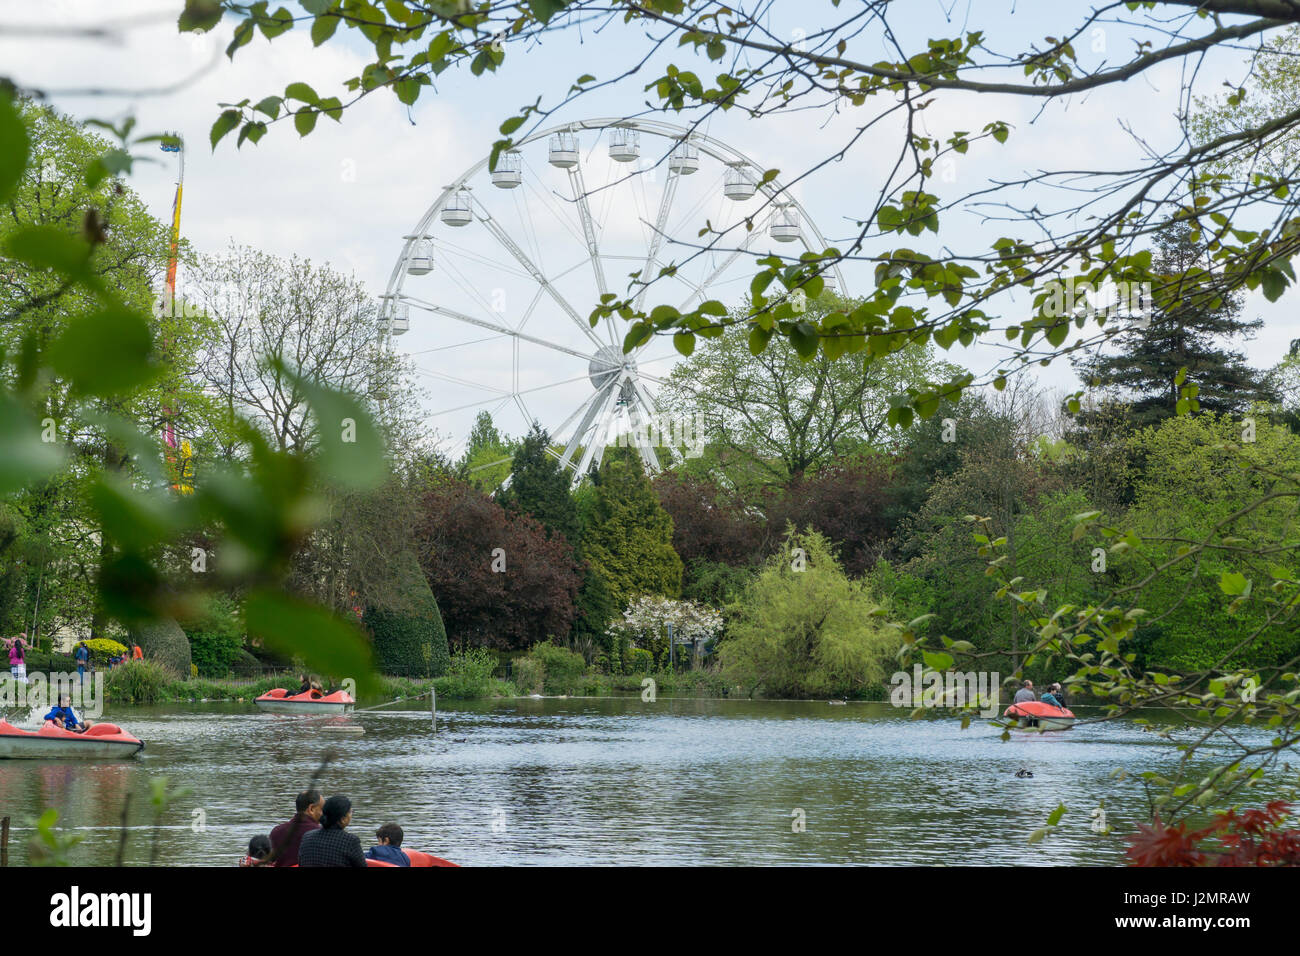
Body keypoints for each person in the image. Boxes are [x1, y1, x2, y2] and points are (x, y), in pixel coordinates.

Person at [298, 795, 366, 868]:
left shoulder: (307, 836)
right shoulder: (350, 841)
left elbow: (301, 862)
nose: (351, 815)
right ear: (342, 819)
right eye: (350, 812)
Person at [268, 789, 324, 867]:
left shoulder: (276, 831)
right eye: (322, 809)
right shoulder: (320, 834)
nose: (323, 813)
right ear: (311, 809)